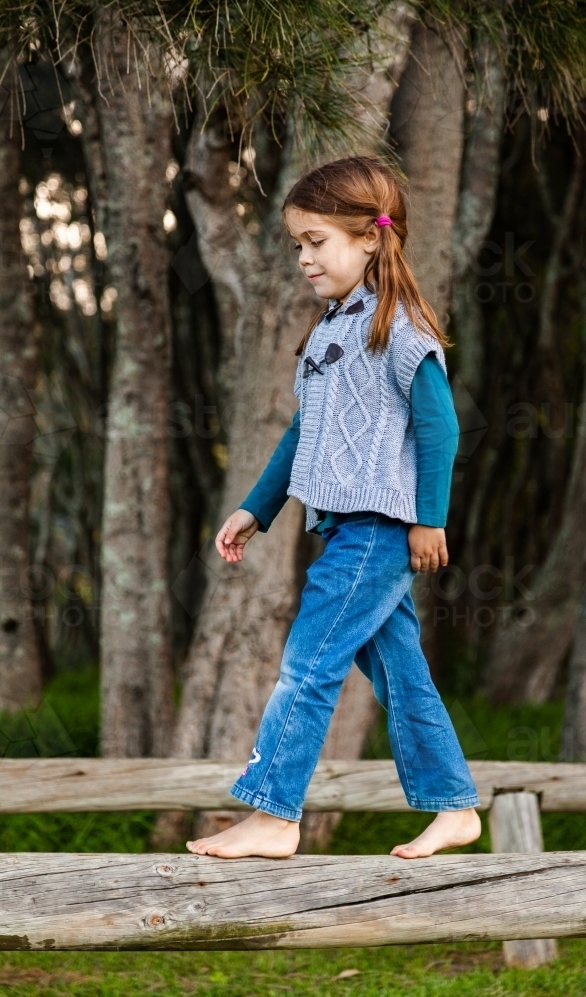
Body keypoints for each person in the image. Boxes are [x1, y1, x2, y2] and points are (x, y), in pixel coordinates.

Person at [186, 156, 481, 860]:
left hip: (378, 531)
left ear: (370, 238)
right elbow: (304, 432)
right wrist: (255, 509)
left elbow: (440, 427)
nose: (304, 258)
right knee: (401, 675)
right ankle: (455, 806)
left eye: (316, 241)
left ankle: (274, 814)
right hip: (347, 527)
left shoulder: (400, 327)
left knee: (307, 665)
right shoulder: (331, 328)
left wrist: (429, 519)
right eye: (298, 244)